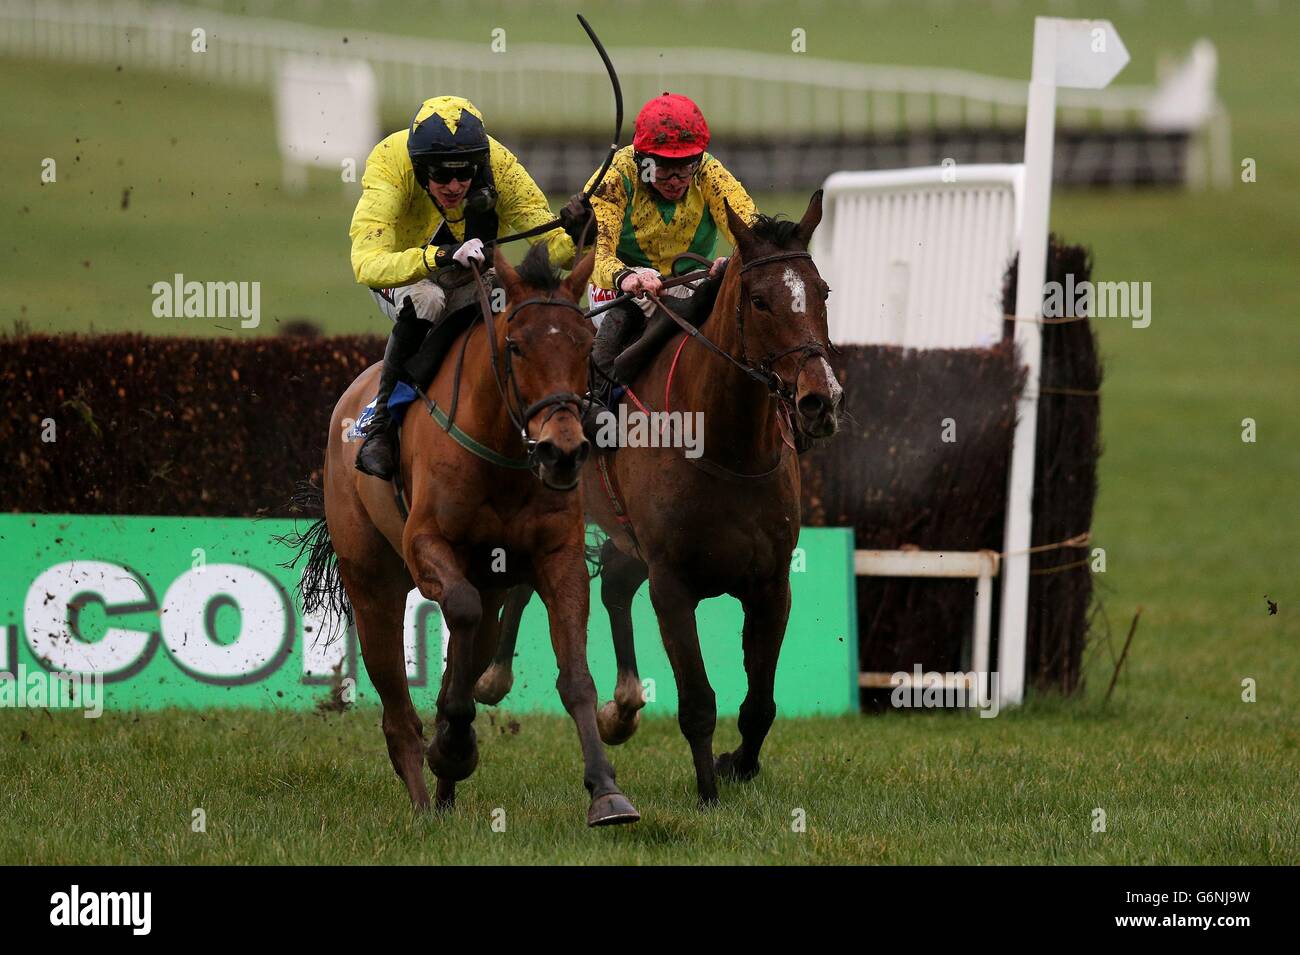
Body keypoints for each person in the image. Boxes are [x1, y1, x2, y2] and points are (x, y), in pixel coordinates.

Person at [348, 95, 590, 479]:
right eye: (441, 176)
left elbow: (555, 251)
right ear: (419, 167)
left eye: (465, 175)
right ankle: (382, 426)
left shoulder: (500, 164)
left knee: (522, 308)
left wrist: (578, 233)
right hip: (406, 275)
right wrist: (441, 257)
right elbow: (367, 264)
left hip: (473, 275)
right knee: (429, 299)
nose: (455, 186)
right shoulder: (390, 162)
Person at [583, 91, 759, 420]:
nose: (677, 180)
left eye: (685, 167)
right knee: (635, 304)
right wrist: (629, 278)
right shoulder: (614, 177)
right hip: (618, 286)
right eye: (663, 170)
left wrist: (735, 259)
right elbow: (597, 255)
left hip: (687, 284)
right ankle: (598, 398)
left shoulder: (709, 173)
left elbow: (750, 229)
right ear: (641, 160)